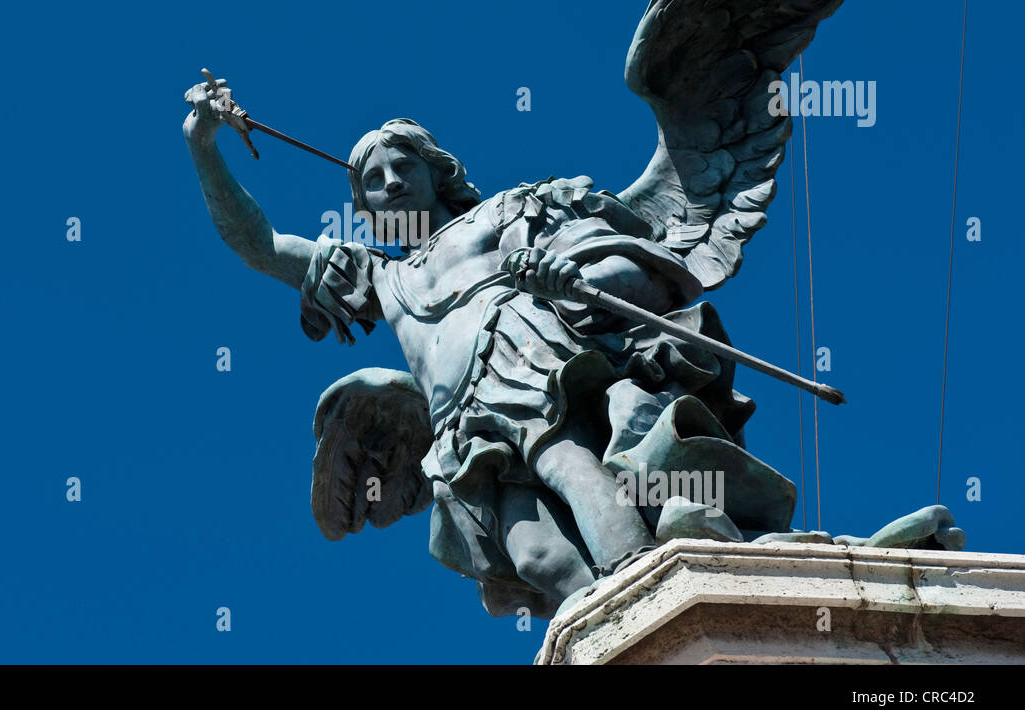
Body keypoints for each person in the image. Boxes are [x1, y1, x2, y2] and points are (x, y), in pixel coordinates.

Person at [183, 81, 790, 618]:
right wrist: (204, 148)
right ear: (362, 207)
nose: (391, 184)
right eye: (373, 182)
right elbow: (259, 244)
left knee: (571, 468)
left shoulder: (502, 216)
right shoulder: (379, 277)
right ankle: (612, 629)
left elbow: (635, 268)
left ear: (434, 171)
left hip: (528, 374)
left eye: (403, 168)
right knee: (534, 556)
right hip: (462, 429)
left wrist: (565, 277)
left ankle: (648, 596)